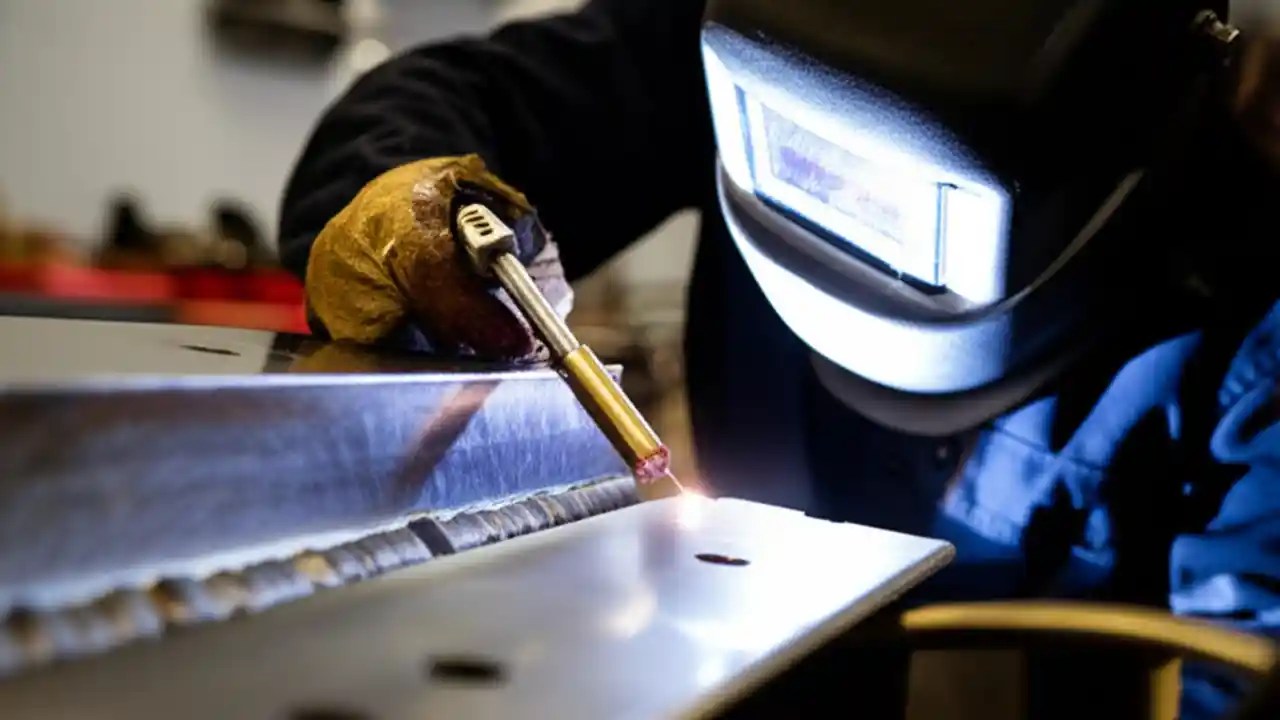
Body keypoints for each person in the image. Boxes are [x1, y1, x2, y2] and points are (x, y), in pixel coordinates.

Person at [280, 1, 1280, 715]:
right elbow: (452, 97)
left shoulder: (1242, 284)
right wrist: (403, 199)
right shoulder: (742, 38)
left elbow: (1236, 669)